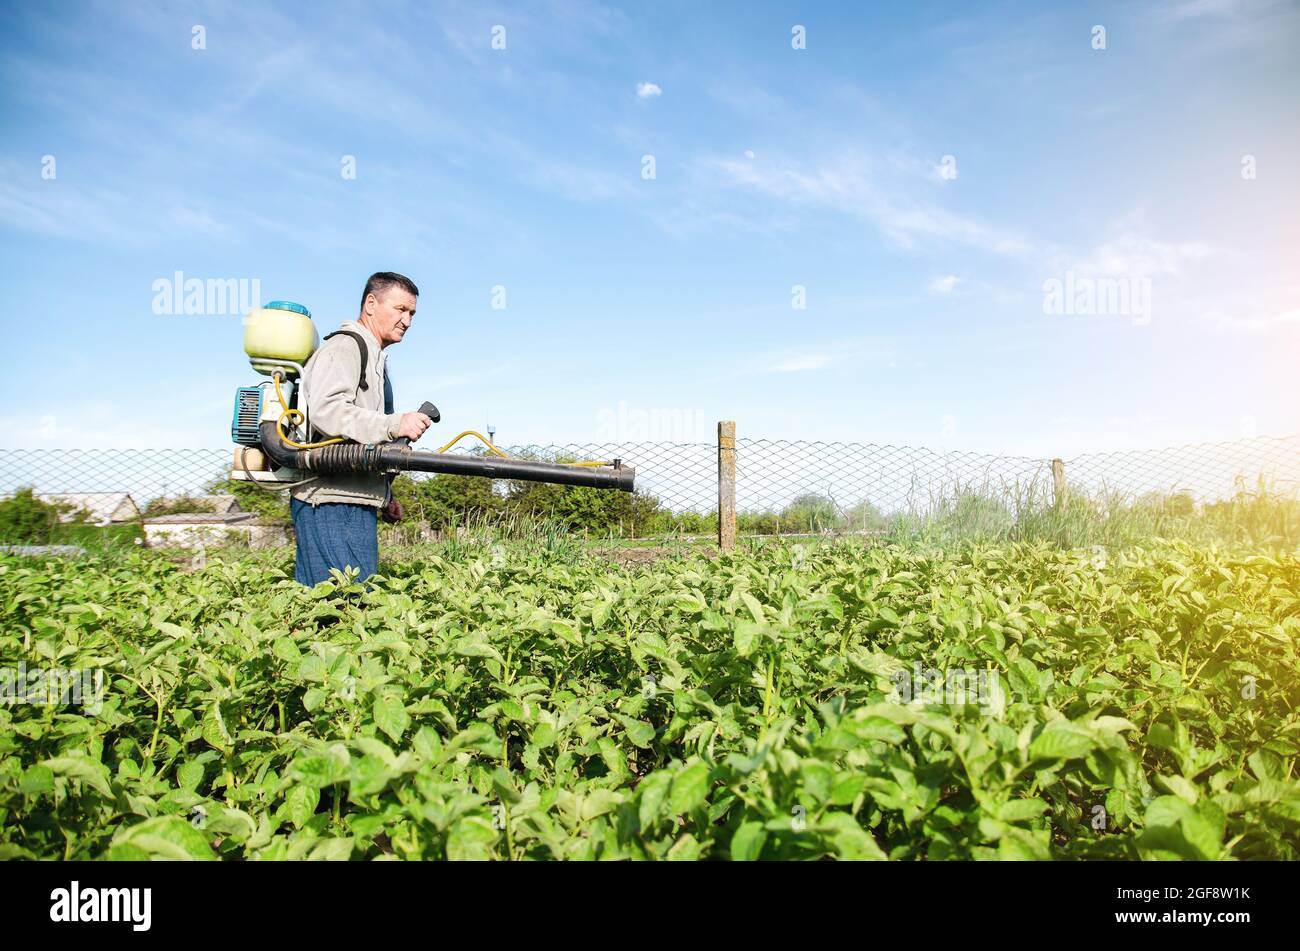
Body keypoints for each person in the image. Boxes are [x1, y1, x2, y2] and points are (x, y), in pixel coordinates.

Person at [289, 272, 433, 586]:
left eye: (412, 313)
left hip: (351, 498)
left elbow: (364, 440)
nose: (407, 320)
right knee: (341, 607)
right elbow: (328, 412)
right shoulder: (345, 347)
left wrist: (384, 495)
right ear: (370, 304)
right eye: (400, 309)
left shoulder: (376, 360)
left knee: (350, 606)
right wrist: (396, 424)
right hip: (329, 500)